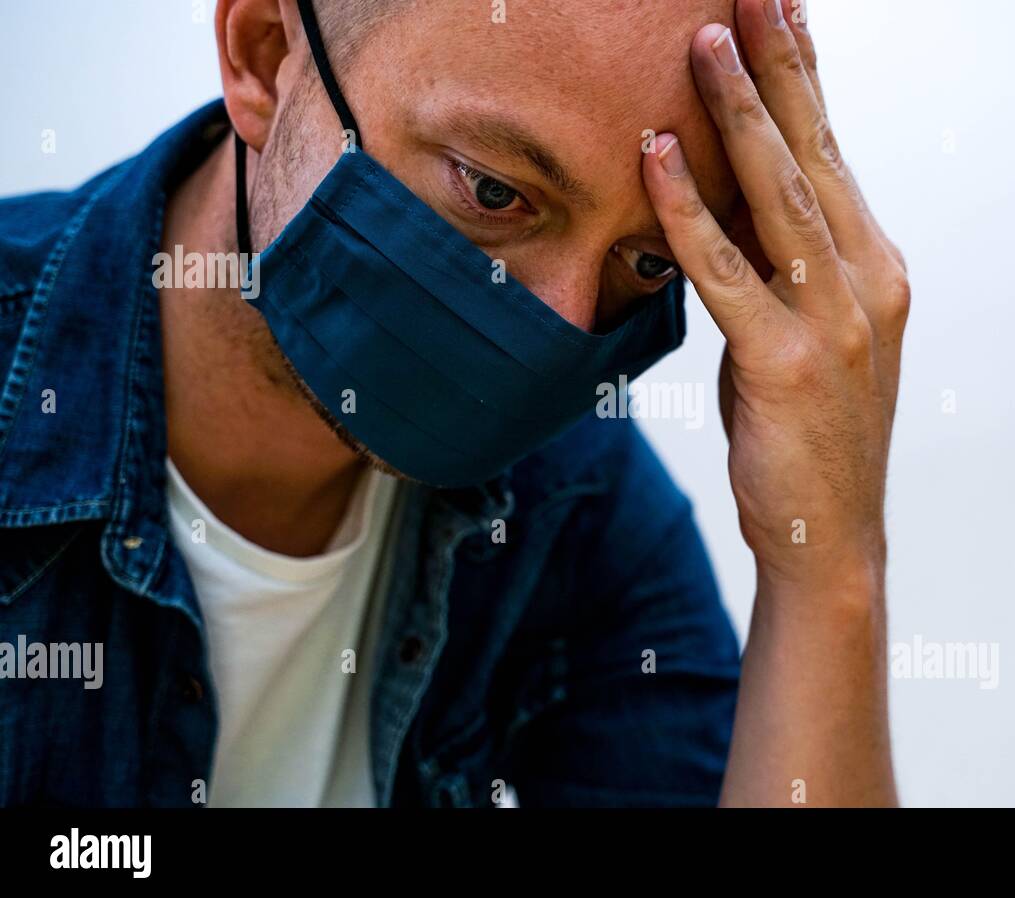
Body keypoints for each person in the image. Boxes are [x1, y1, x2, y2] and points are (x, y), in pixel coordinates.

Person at [0, 0, 908, 807]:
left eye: (646, 260)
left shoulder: (576, 503)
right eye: (495, 191)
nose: (555, 325)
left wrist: (829, 566)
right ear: (266, 54)